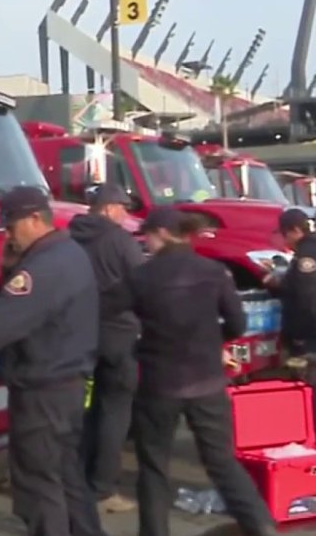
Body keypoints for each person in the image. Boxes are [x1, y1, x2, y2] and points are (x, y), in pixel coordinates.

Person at [128, 207, 277, 536]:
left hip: (159, 383)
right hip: (207, 381)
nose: (146, 243)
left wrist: (140, 348)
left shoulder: (140, 276)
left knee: (154, 467)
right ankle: (261, 526)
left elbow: (123, 323)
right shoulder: (214, 271)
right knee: (223, 463)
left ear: (163, 233)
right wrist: (212, 343)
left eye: (148, 236)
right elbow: (237, 324)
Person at [0, 186, 105, 536]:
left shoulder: (43, 267)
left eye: (11, 228)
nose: (8, 236)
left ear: (34, 219)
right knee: (68, 478)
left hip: (43, 390)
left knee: (39, 487)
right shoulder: (70, 253)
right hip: (68, 385)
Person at [70, 183, 143, 514]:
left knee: (86, 408)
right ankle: (103, 488)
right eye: (123, 208)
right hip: (119, 336)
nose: (126, 214)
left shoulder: (70, 238)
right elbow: (141, 283)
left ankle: (78, 477)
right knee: (115, 410)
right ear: (110, 208)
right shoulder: (119, 240)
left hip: (80, 336)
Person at [274, 208, 316, 357]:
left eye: (285, 234)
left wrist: (299, 335)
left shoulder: (306, 254)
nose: (285, 240)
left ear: (296, 230)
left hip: (309, 335)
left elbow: (306, 295)